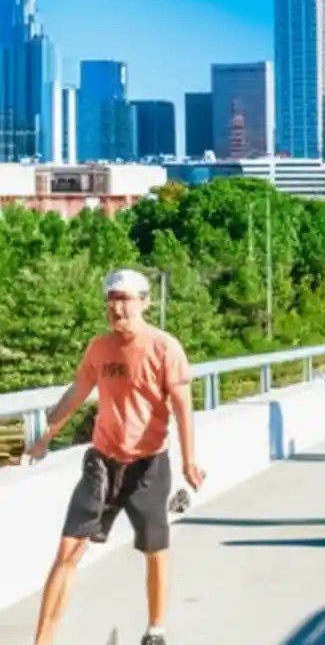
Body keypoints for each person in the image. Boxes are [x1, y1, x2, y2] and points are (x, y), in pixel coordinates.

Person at [26, 269, 204, 645]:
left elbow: (183, 408)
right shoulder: (99, 348)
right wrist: (45, 437)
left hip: (149, 463)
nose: (116, 307)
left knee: (155, 547)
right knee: (68, 549)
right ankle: (42, 641)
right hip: (102, 460)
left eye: (124, 299)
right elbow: (77, 392)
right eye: (111, 299)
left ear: (144, 302)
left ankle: (155, 629)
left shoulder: (164, 347)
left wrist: (189, 461)